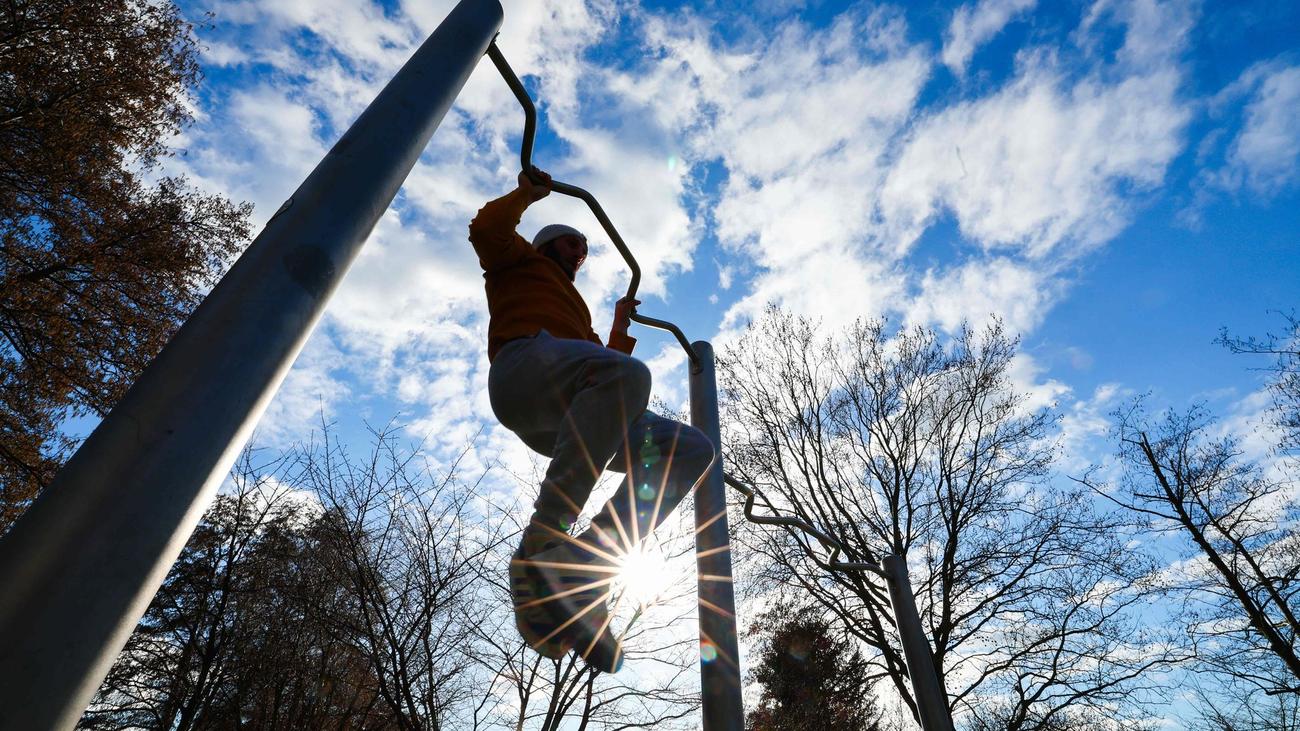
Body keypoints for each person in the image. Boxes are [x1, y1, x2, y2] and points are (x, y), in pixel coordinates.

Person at [468, 167, 714, 673]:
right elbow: (486, 230)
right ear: (546, 245)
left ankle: (583, 568)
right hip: (522, 371)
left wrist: (619, 325)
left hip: (566, 410)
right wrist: (526, 194)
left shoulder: (577, 311)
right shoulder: (518, 262)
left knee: (690, 449)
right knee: (625, 376)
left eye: (583, 251)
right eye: (572, 244)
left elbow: (607, 374)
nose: (579, 254)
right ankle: (545, 541)